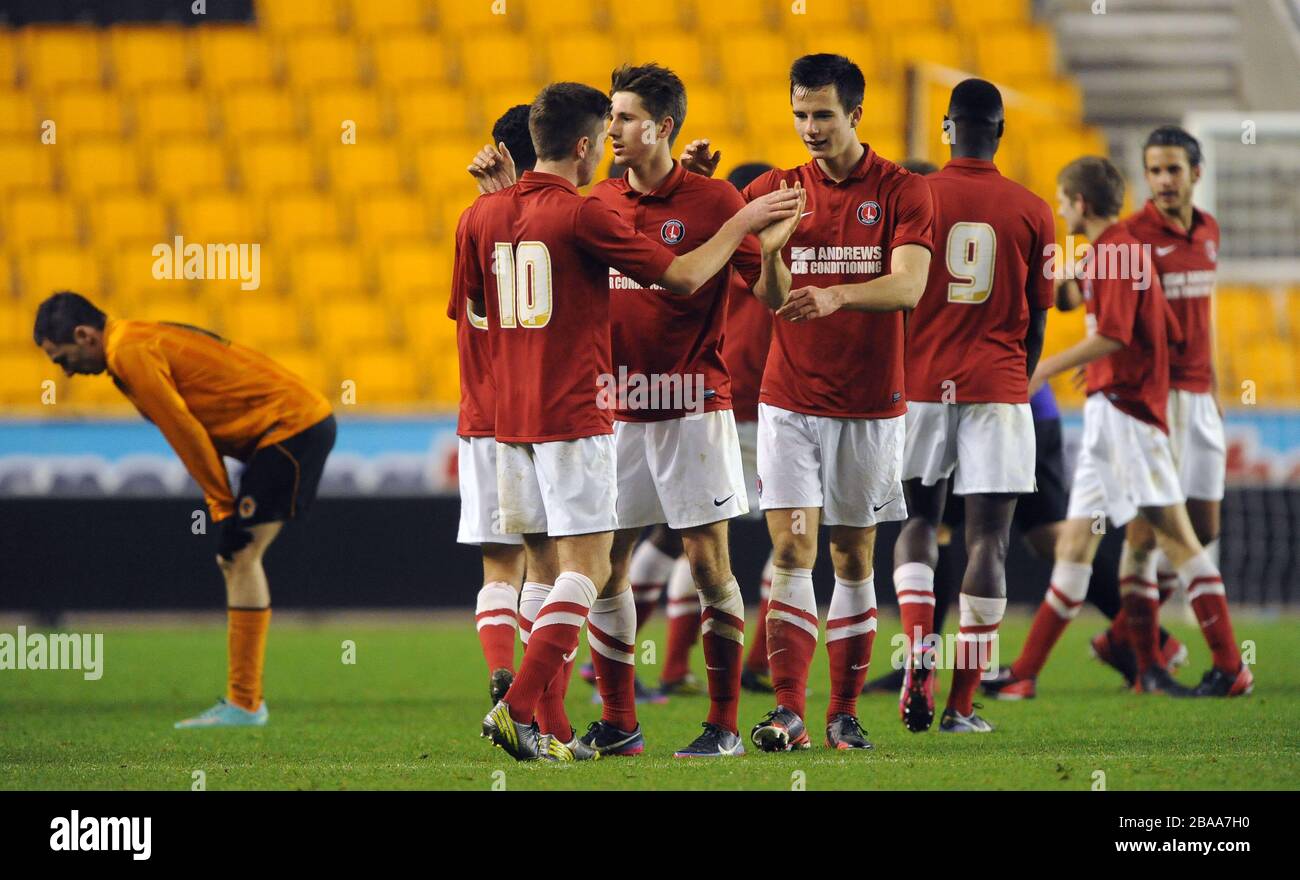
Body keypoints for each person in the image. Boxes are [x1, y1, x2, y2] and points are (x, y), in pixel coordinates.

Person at [468, 81, 801, 761]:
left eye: (629, 118)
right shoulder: (592, 204)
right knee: (608, 568)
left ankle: (723, 725)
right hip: (609, 410)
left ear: (664, 126)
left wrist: (765, 246)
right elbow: (668, 276)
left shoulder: (712, 200)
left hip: (690, 408)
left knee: (709, 564)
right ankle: (618, 721)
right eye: (611, 119)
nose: (617, 131)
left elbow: (768, 295)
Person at [697, 54, 935, 751]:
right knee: (793, 548)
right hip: (789, 403)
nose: (809, 127)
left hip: (869, 406)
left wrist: (837, 294)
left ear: (856, 114)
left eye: (823, 115)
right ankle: (791, 713)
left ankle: (845, 713)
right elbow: (770, 299)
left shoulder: (902, 191)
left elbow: (910, 287)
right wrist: (771, 255)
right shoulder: (777, 189)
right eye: (800, 114)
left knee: (854, 558)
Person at [33, 291, 336, 728]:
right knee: (237, 558)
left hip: (291, 428)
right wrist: (225, 509)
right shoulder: (133, 337)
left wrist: (221, 508)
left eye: (63, 359)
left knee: (240, 556)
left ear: (84, 335)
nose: (68, 372)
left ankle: (246, 704)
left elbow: (185, 431)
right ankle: (244, 702)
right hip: (290, 425)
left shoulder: (128, 352)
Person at [892, 79, 1054, 733]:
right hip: (997, 387)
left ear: (947, 128)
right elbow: (1039, 320)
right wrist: (1018, 373)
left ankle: (915, 662)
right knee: (988, 537)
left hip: (923, 386)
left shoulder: (915, 196)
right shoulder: (1032, 208)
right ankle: (960, 704)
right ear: (1000, 131)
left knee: (919, 523)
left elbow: (895, 296)